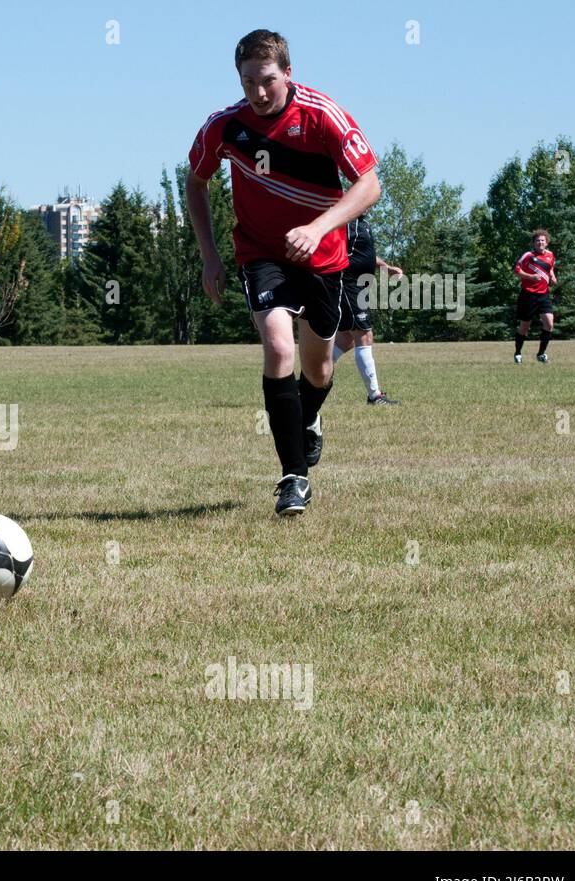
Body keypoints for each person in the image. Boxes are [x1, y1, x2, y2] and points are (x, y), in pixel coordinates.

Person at [185, 29, 381, 516]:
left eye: (268, 80)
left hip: (324, 257)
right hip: (260, 252)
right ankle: (294, 477)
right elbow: (196, 183)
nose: (258, 91)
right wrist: (210, 254)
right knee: (278, 346)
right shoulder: (225, 127)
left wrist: (319, 227)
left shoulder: (321, 115)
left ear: (288, 73)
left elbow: (369, 184)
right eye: (248, 81)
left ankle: (308, 418)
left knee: (318, 367)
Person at [334, 216, 402, 404]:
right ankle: (375, 396)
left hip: (357, 286)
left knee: (346, 339)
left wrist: (384, 267)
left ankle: (309, 379)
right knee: (364, 334)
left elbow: (365, 254)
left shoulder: (362, 223)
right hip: (348, 284)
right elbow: (334, 248)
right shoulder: (346, 221)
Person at [512, 229, 558, 363]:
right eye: (537, 240)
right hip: (528, 295)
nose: (540, 242)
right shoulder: (527, 255)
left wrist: (553, 278)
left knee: (549, 324)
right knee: (525, 327)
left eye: (543, 240)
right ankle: (518, 353)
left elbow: (550, 269)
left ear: (547, 242)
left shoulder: (550, 255)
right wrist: (530, 276)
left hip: (544, 295)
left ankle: (541, 354)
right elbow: (516, 271)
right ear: (534, 243)